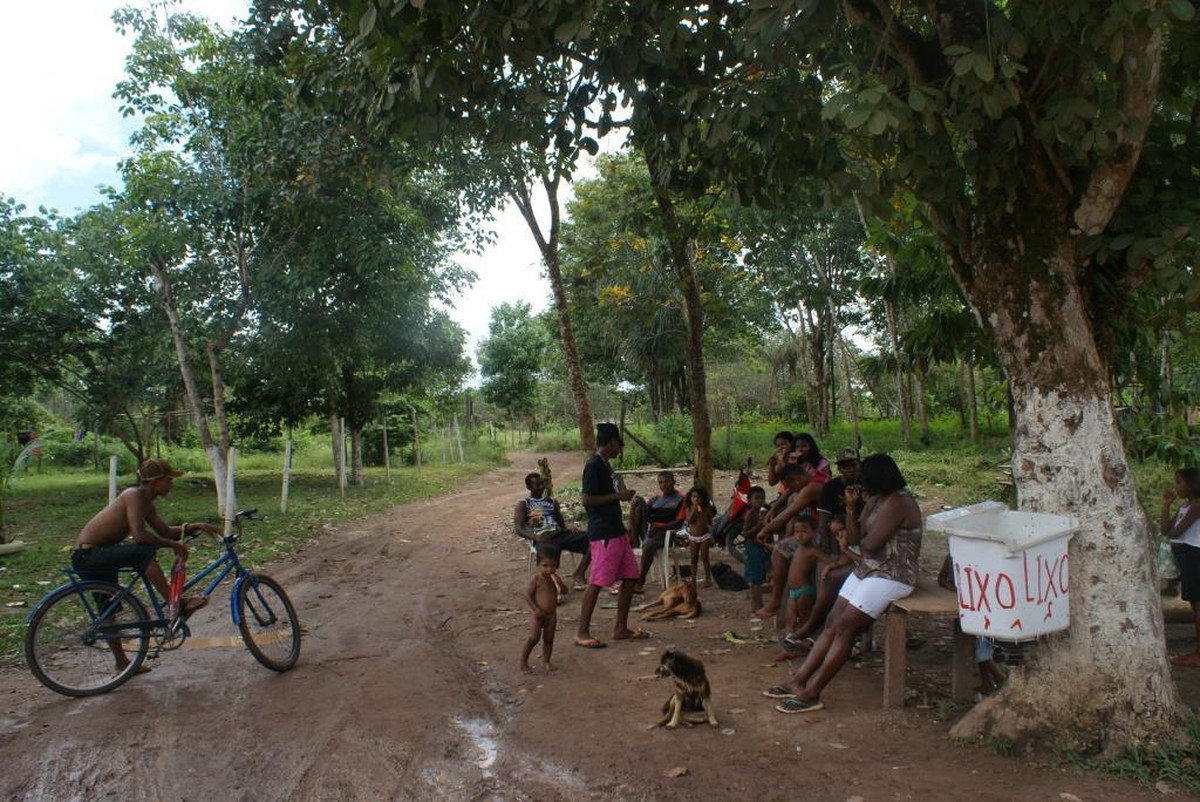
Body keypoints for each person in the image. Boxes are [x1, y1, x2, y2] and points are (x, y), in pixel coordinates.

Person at [764, 453, 921, 713]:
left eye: (864, 476)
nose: (859, 480)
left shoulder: (898, 502)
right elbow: (857, 535)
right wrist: (850, 508)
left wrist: (851, 543)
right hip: (869, 568)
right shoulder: (876, 500)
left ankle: (813, 693)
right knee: (833, 622)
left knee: (846, 626)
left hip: (893, 575)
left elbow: (868, 545)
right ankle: (799, 680)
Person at [71, 458, 222, 672]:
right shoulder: (133, 496)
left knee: (108, 612)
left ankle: (122, 663)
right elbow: (139, 535)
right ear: (155, 481)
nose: (171, 484)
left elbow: (164, 532)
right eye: (168, 480)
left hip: (96, 555)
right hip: (89, 555)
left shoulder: (147, 503)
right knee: (143, 553)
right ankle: (175, 603)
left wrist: (193, 527)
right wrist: (173, 545)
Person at [575, 423, 650, 649]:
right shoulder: (594, 465)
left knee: (630, 577)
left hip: (615, 530)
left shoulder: (606, 465)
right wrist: (619, 496)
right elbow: (587, 500)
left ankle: (621, 628)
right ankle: (581, 632)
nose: (619, 449)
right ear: (609, 444)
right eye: (618, 444)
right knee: (597, 582)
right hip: (603, 532)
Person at [514, 471, 591, 590]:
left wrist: (568, 528)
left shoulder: (552, 501)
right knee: (548, 551)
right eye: (537, 485)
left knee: (594, 540)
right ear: (529, 487)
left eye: (542, 484)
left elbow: (561, 524)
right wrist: (535, 537)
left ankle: (579, 573)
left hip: (559, 534)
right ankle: (549, 586)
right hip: (543, 536)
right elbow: (518, 528)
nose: (541, 487)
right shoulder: (524, 504)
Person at [1161, 467, 1200, 667]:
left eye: (1179, 483)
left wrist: (1171, 534)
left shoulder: (1196, 506)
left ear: (1191, 485)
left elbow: (1175, 532)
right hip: (1188, 556)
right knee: (1195, 605)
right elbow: (1165, 529)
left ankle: (1198, 653)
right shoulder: (1185, 506)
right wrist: (1166, 505)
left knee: (1198, 605)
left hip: (1195, 555)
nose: (1176, 487)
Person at [628, 471, 687, 592]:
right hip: (651, 530)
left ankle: (641, 580)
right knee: (637, 501)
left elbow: (679, 523)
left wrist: (660, 528)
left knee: (648, 545)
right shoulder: (657, 498)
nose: (664, 485)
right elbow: (644, 515)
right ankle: (632, 538)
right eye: (660, 482)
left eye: (666, 481)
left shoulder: (681, 499)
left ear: (673, 482)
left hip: (666, 533)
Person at [521, 546, 561, 672]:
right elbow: (527, 595)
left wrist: (560, 583)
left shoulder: (554, 579)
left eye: (553, 566)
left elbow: (564, 591)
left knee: (549, 639)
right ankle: (523, 661)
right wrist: (535, 609)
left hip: (551, 615)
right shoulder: (537, 579)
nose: (549, 569)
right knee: (534, 638)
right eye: (545, 566)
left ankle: (546, 661)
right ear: (538, 565)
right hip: (538, 614)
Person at [741, 486, 771, 612]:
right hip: (752, 547)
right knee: (754, 580)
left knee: (760, 577)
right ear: (749, 501)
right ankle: (756, 605)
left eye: (762, 498)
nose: (760, 501)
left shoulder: (763, 512)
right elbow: (745, 533)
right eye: (757, 498)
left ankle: (759, 604)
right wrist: (759, 524)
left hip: (761, 548)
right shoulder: (751, 515)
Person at [683, 485, 716, 586]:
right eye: (693, 497)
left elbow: (710, 522)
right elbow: (690, 520)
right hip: (693, 537)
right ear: (690, 498)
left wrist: (712, 536)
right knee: (693, 558)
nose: (696, 499)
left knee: (705, 557)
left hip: (704, 536)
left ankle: (708, 578)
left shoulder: (706, 509)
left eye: (698, 497)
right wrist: (694, 508)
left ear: (703, 499)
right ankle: (693, 579)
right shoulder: (689, 508)